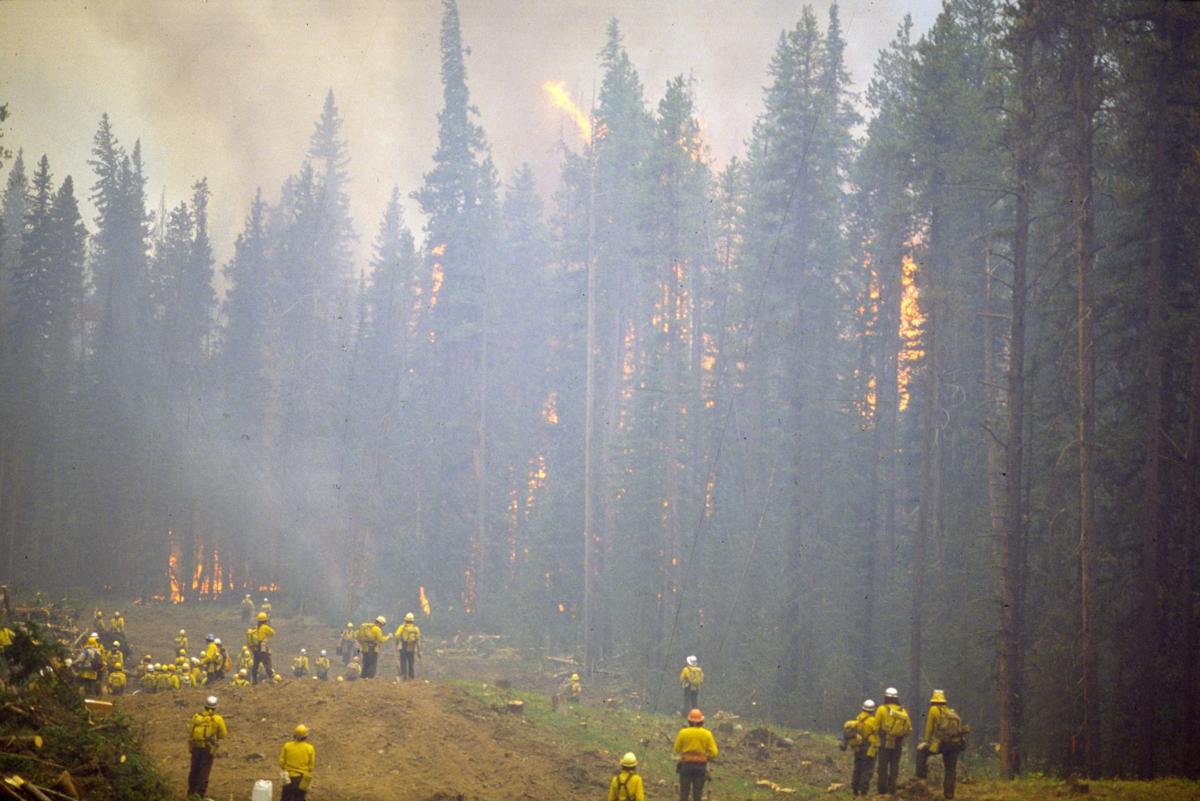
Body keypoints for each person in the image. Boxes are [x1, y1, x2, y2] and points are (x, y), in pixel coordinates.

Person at [915, 689, 967, 800]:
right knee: (950, 770)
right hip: (955, 744)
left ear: (933, 700)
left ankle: (920, 776)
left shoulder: (933, 709)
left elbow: (929, 728)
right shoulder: (950, 711)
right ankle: (949, 795)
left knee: (922, 751)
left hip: (942, 743)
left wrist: (925, 742)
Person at [673, 708, 718, 801]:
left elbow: (677, 749)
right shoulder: (707, 734)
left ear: (689, 720)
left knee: (684, 793)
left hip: (686, 766)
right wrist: (706, 756)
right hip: (700, 767)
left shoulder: (683, 732)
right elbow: (714, 752)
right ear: (702, 721)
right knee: (697, 794)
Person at [187, 695, 227, 799]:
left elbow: (190, 731)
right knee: (204, 771)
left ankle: (190, 792)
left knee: (194, 769)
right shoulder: (217, 719)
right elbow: (223, 734)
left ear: (205, 706)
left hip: (195, 747)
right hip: (208, 748)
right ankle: (200, 795)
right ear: (215, 707)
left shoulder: (196, 717)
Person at [874, 686, 912, 795]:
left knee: (882, 767)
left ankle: (882, 791)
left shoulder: (881, 709)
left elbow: (875, 727)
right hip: (898, 743)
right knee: (894, 767)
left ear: (886, 697)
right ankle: (892, 790)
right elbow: (909, 729)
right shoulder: (903, 711)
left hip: (884, 743)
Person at [841, 699, 878, 797]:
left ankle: (855, 791)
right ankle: (863, 793)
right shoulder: (873, 721)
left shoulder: (858, 718)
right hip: (868, 748)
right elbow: (877, 733)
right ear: (873, 710)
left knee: (857, 769)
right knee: (867, 770)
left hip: (857, 748)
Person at [279, 723, 315, 801]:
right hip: (301, 780)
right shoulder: (310, 748)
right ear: (306, 736)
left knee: (285, 798)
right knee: (300, 798)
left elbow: (281, 763)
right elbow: (311, 767)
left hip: (287, 778)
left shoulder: (287, 746)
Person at [250, 611, 275, 685]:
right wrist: (269, 625)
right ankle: (271, 678)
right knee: (267, 663)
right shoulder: (265, 627)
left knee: (256, 665)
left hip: (256, 648)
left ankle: (254, 680)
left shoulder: (257, 627)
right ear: (265, 620)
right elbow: (273, 633)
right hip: (263, 648)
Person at [394, 612, 421, 680]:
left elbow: (396, 635)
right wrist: (419, 651)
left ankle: (404, 676)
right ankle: (411, 677)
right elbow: (418, 640)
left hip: (404, 646)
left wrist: (397, 644)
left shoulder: (402, 627)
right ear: (412, 620)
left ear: (405, 620)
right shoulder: (416, 629)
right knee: (411, 662)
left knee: (403, 662)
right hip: (412, 647)